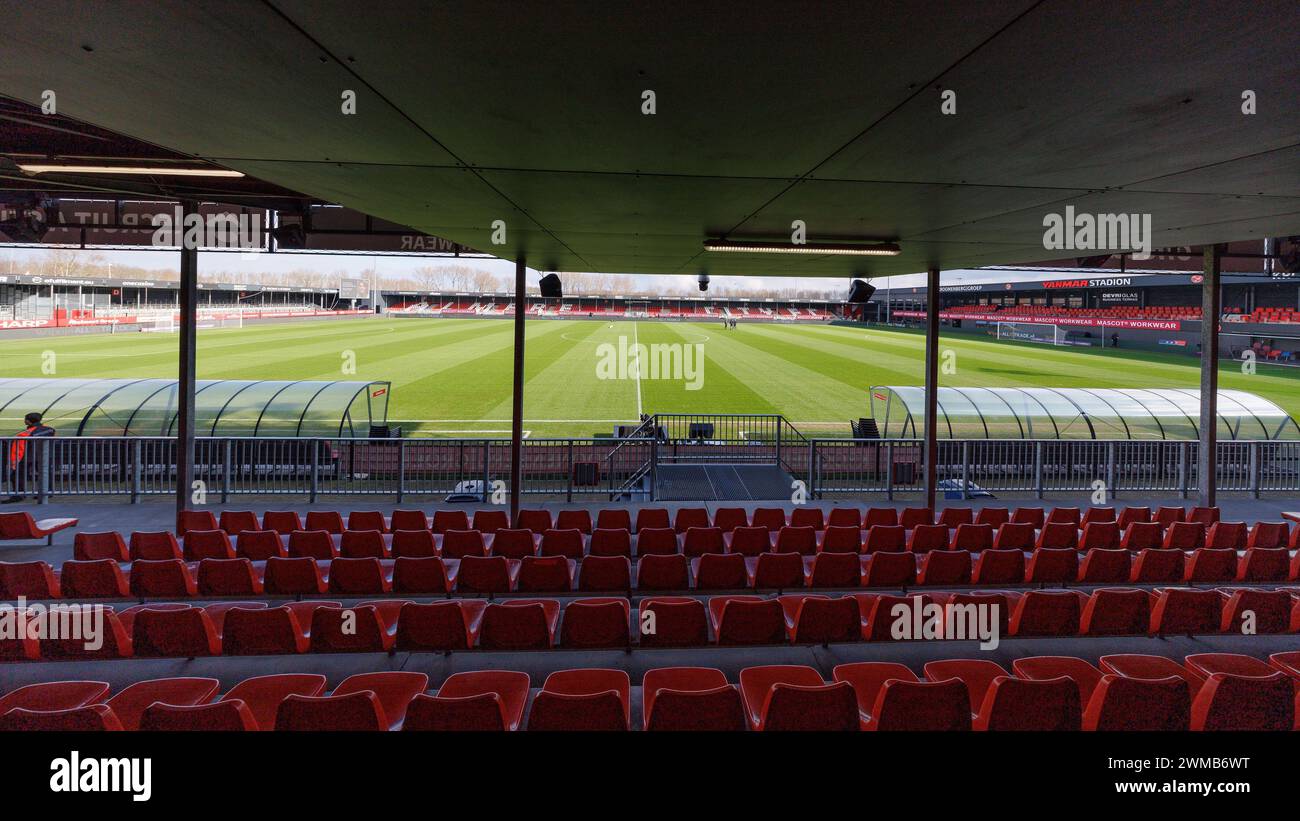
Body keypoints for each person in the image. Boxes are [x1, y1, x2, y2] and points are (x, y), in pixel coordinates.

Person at [5, 413, 55, 503]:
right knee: (46, 474)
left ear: (28, 421)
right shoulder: (50, 430)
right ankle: (47, 492)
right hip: (46, 456)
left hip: (28, 457)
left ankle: (19, 495)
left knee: (17, 475)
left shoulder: (24, 434)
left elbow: (18, 450)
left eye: (25, 419)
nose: (24, 420)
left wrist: (14, 462)